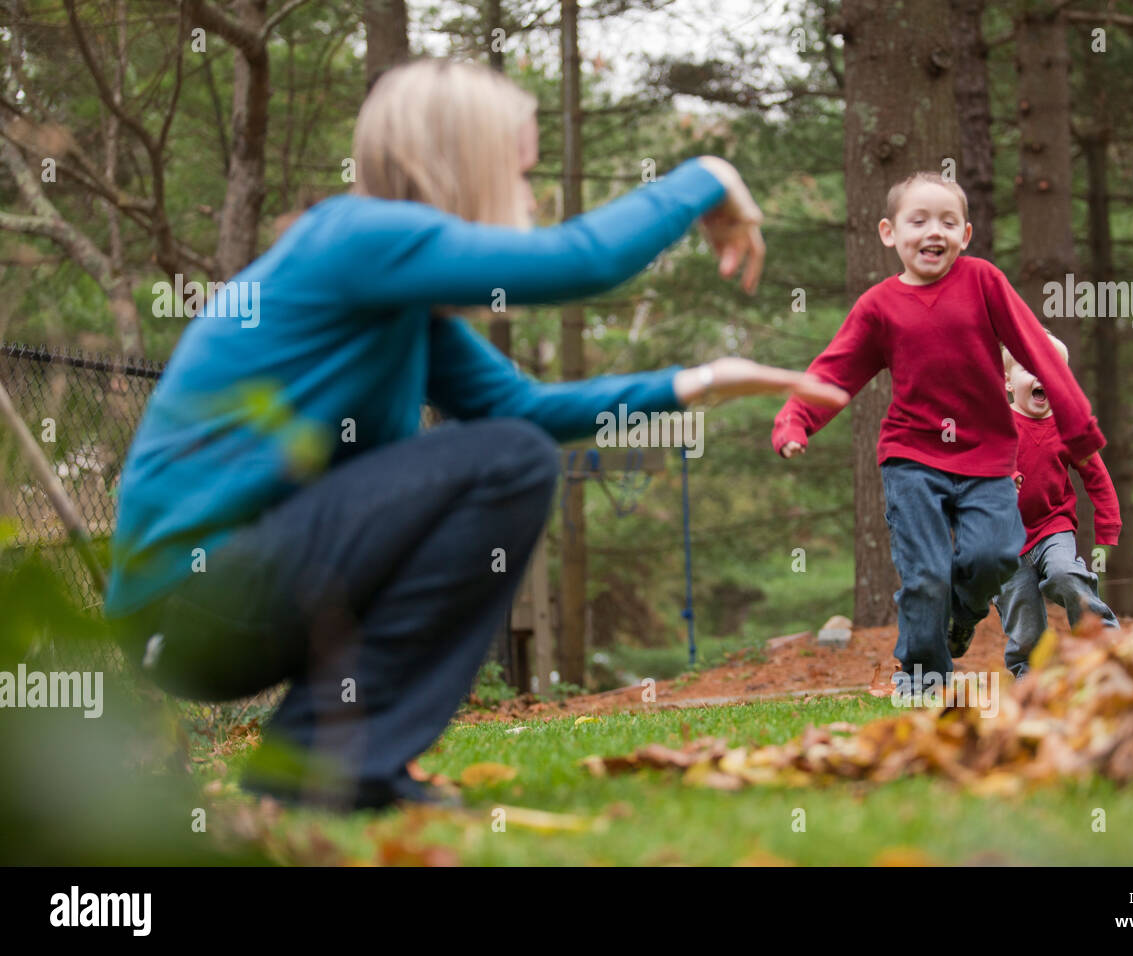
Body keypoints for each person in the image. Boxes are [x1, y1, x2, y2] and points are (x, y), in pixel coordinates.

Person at [106, 58, 846, 811]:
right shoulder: (357, 235)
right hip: (189, 599)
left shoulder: (397, 295)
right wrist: (709, 174)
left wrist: (702, 380)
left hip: (228, 601)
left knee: (511, 452)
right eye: (519, 170)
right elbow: (582, 261)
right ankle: (336, 767)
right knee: (508, 465)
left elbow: (521, 410)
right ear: (462, 160)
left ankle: (323, 768)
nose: (525, 195)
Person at [770, 171, 1104, 697]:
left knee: (995, 555)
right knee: (924, 574)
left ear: (965, 235)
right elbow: (835, 371)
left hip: (988, 457)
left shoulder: (984, 282)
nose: (935, 231)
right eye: (918, 220)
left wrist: (1078, 424)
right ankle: (924, 679)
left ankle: (959, 616)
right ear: (889, 232)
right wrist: (795, 419)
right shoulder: (879, 306)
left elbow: (1037, 350)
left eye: (948, 222)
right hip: (912, 459)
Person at [994, 337, 1121, 678]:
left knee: (1066, 573)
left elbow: (1096, 476)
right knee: (1023, 619)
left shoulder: (1069, 427)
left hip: (1053, 526)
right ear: (1007, 382)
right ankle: (1030, 679)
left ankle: (1105, 646)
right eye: (1028, 368)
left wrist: (1108, 524)